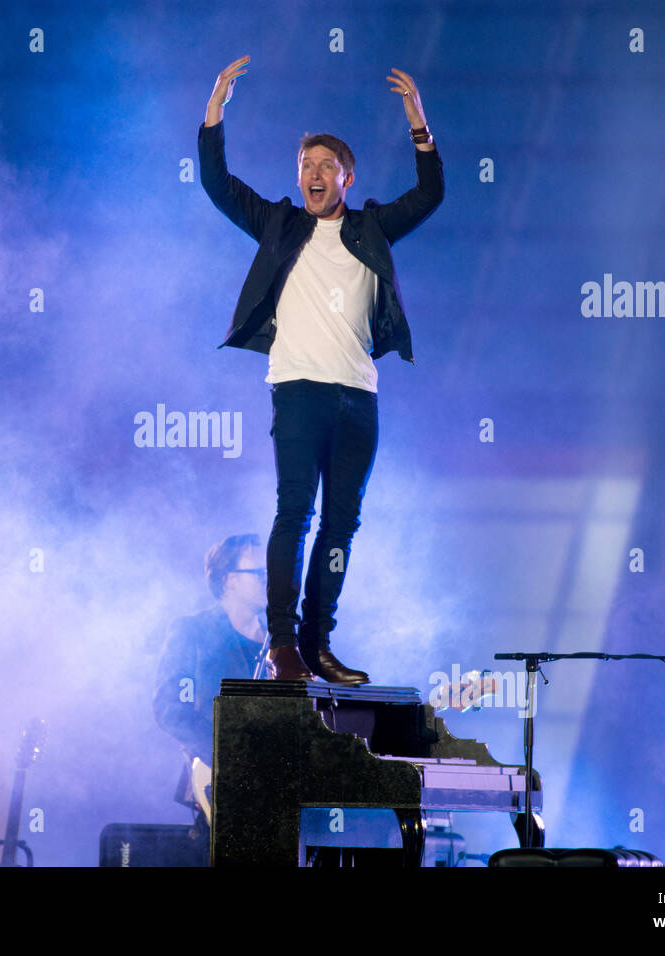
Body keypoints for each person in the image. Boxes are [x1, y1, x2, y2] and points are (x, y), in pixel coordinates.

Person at [197, 55, 444, 684]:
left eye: (324, 166)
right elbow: (220, 185)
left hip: (358, 396)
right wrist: (215, 111)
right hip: (299, 390)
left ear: (347, 178)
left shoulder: (372, 227)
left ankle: (317, 641)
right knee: (293, 513)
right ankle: (284, 646)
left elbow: (431, 194)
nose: (312, 174)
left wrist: (419, 126)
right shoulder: (279, 224)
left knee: (342, 522)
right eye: (305, 166)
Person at [153, 534, 269, 773]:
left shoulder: (282, 641)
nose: (269, 580)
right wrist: (225, 753)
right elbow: (171, 708)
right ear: (229, 580)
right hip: (219, 777)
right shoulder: (192, 632)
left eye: (271, 572)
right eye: (259, 573)